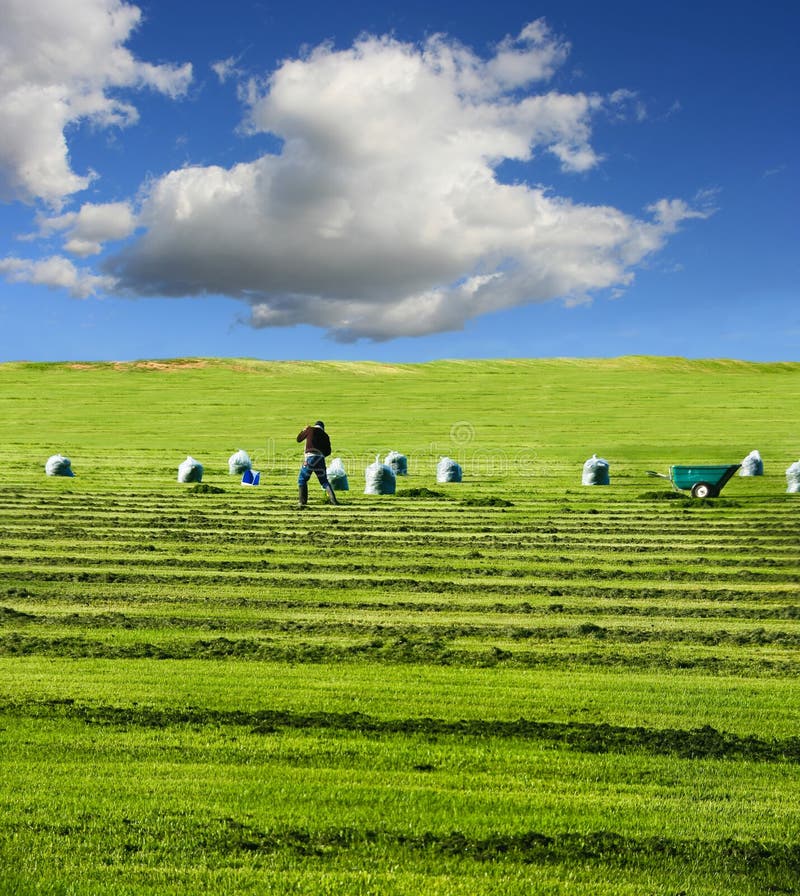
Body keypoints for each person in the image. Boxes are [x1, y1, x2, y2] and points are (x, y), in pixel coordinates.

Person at [296, 420, 338, 506]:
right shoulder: (325, 435)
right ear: (323, 428)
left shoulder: (310, 429)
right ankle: (334, 501)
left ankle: (302, 502)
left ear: (315, 425)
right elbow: (328, 452)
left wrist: (304, 430)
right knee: (324, 481)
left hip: (310, 458)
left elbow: (299, 439)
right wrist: (320, 456)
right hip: (321, 459)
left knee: (302, 479)